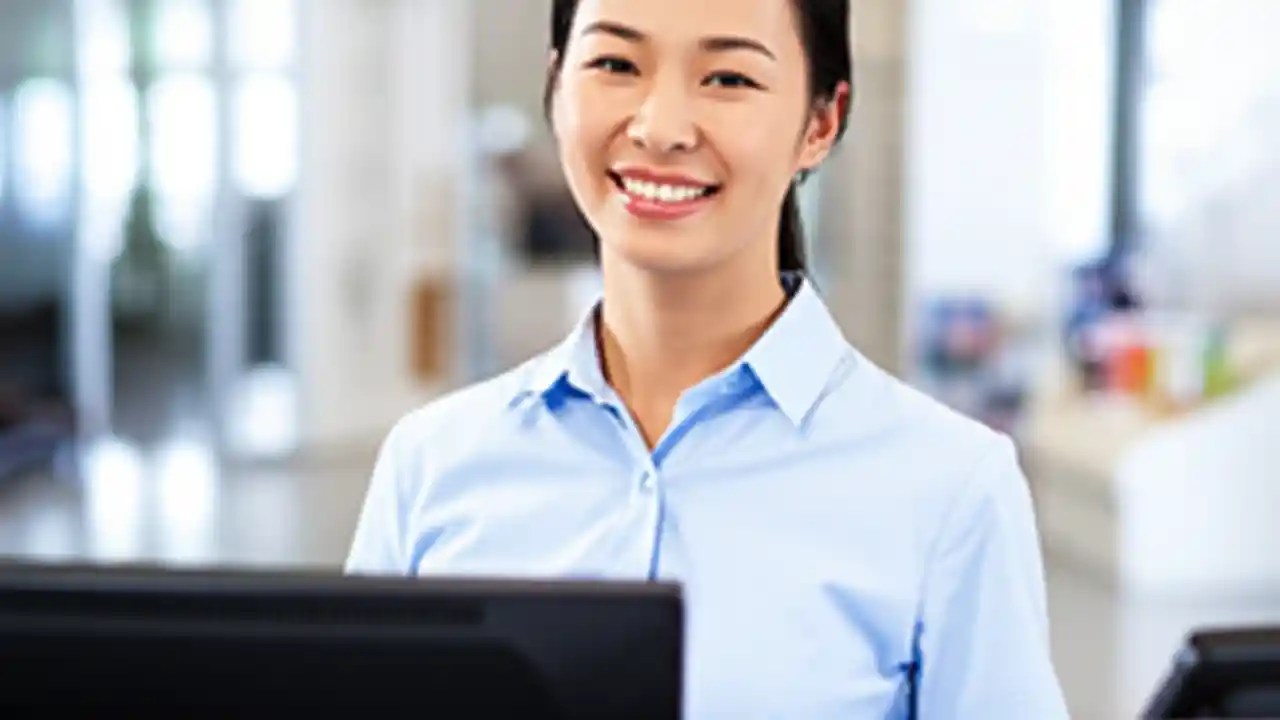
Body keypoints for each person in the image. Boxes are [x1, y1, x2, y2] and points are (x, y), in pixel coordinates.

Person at [345, 0, 1069, 717]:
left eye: (728, 79)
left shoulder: (950, 488)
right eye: (616, 64)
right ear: (557, 88)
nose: (660, 128)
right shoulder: (431, 465)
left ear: (820, 122)